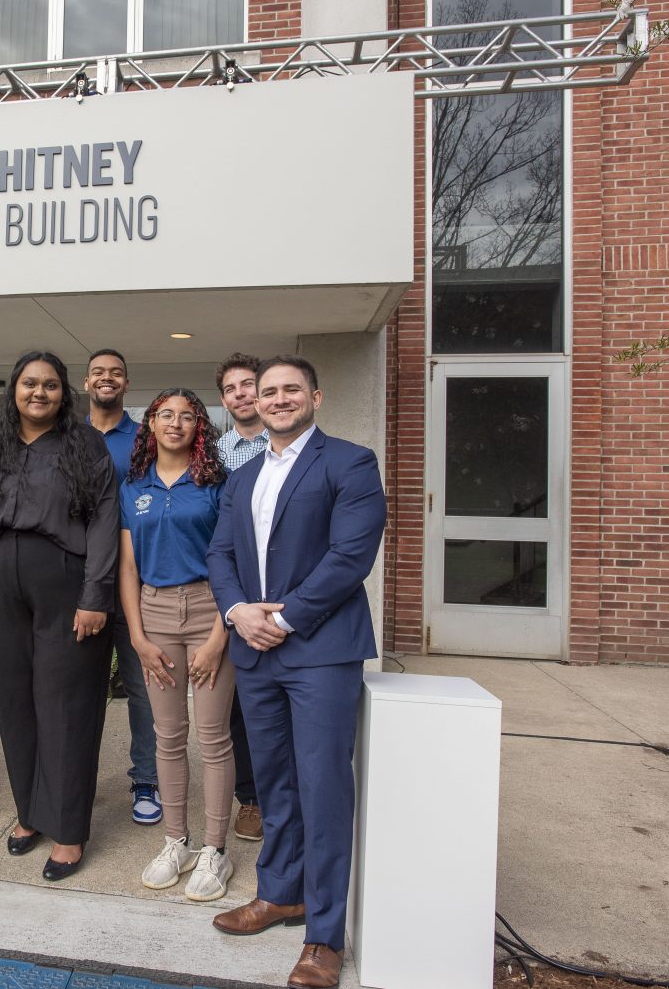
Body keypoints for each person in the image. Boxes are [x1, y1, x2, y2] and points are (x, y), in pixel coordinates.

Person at [205, 355, 386, 989]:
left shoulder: (350, 463)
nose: (279, 399)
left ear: (316, 395)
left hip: (319, 652)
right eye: (269, 391)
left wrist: (282, 620)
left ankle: (324, 935)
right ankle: (280, 893)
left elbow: (350, 556)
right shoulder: (244, 475)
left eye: (291, 390)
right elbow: (220, 552)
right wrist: (235, 611)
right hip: (254, 653)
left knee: (323, 789)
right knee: (275, 784)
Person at [0, 351, 118, 882]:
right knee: (15, 704)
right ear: (12, 391)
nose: (38, 393)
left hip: (64, 584)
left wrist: (95, 595)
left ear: (64, 393)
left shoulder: (84, 444)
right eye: (28, 384)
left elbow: (106, 518)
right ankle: (30, 813)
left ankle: (67, 828)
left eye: (49, 385)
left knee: (65, 706)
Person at [119, 388, 235, 901]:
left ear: (199, 428)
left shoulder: (214, 483)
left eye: (187, 416)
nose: (176, 423)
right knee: (168, 735)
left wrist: (218, 638)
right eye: (166, 414)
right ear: (151, 424)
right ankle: (176, 842)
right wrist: (139, 637)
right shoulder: (133, 486)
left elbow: (234, 560)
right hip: (156, 612)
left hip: (210, 608)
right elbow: (127, 566)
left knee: (212, 738)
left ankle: (215, 850)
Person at [84, 348, 160, 826]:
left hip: (136, 583)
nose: (106, 379)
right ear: (86, 383)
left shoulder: (145, 440)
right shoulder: (66, 436)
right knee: (79, 692)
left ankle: (147, 779)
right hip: (79, 589)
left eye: (115, 373)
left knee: (143, 689)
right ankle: (76, 780)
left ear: (126, 383)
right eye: (97, 373)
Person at [213, 351, 269, 843]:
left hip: (281, 589)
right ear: (223, 400)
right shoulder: (214, 455)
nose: (241, 395)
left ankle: (287, 794)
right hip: (233, 590)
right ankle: (249, 799)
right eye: (231, 389)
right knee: (239, 707)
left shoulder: (288, 446)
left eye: (248, 385)